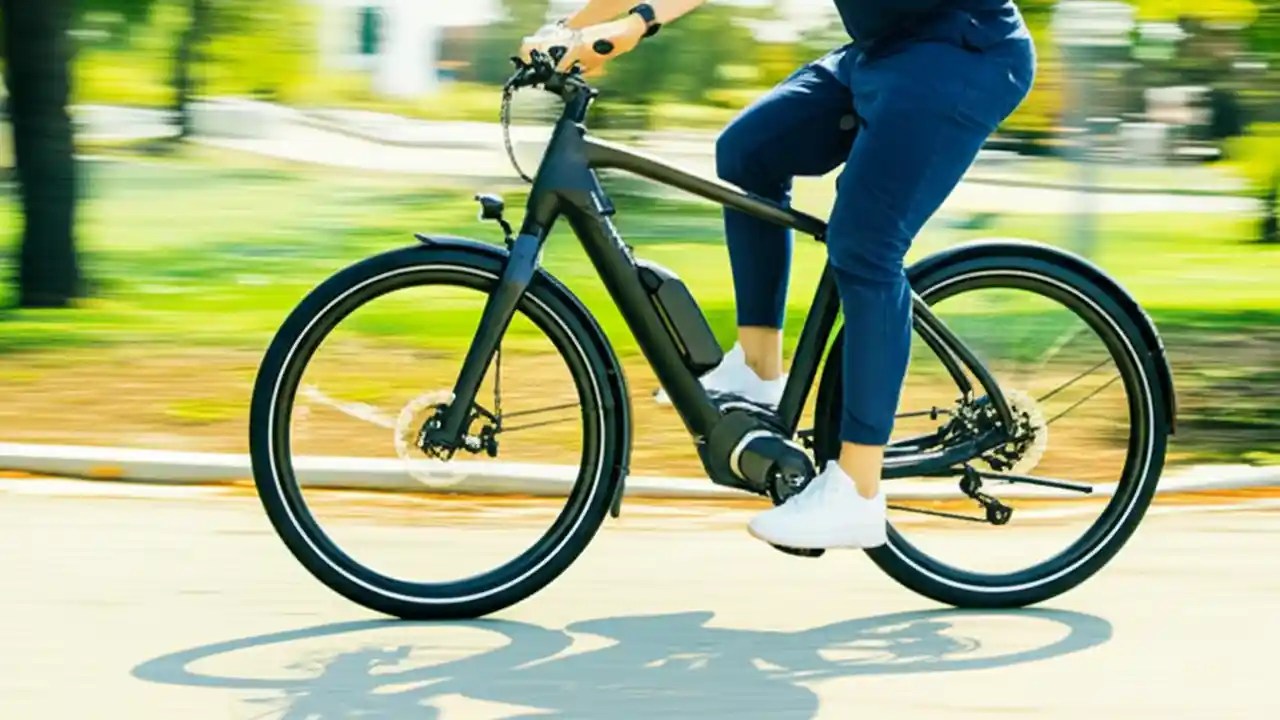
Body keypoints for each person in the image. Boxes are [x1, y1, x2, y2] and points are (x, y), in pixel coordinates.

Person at [524, 1, 1035, 552]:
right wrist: (566, 29)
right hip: (879, 52)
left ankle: (857, 492)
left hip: (960, 56)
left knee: (865, 246)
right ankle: (758, 368)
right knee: (747, 153)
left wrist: (635, 23)